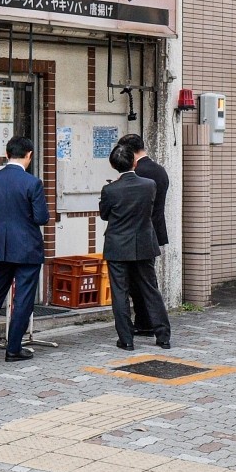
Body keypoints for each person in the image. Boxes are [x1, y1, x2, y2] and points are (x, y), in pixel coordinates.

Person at [0, 136, 51, 362]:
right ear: (29, 155)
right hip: (27, 248)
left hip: (1, 247)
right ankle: (13, 348)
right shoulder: (33, 183)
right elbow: (42, 218)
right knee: (23, 298)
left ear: (7, 153)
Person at [100, 144, 171, 351]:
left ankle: (126, 339)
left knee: (120, 292)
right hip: (144, 243)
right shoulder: (149, 185)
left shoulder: (109, 190)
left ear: (113, 165)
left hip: (118, 245)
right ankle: (163, 337)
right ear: (134, 162)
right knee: (150, 289)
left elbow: (104, 215)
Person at [117, 134, 170, 337]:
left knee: (138, 283)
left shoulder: (138, 173)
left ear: (129, 151)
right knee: (146, 282)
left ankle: (146, 323)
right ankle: (147, 323)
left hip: (137, 234)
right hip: (153, 231)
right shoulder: (160, 170)